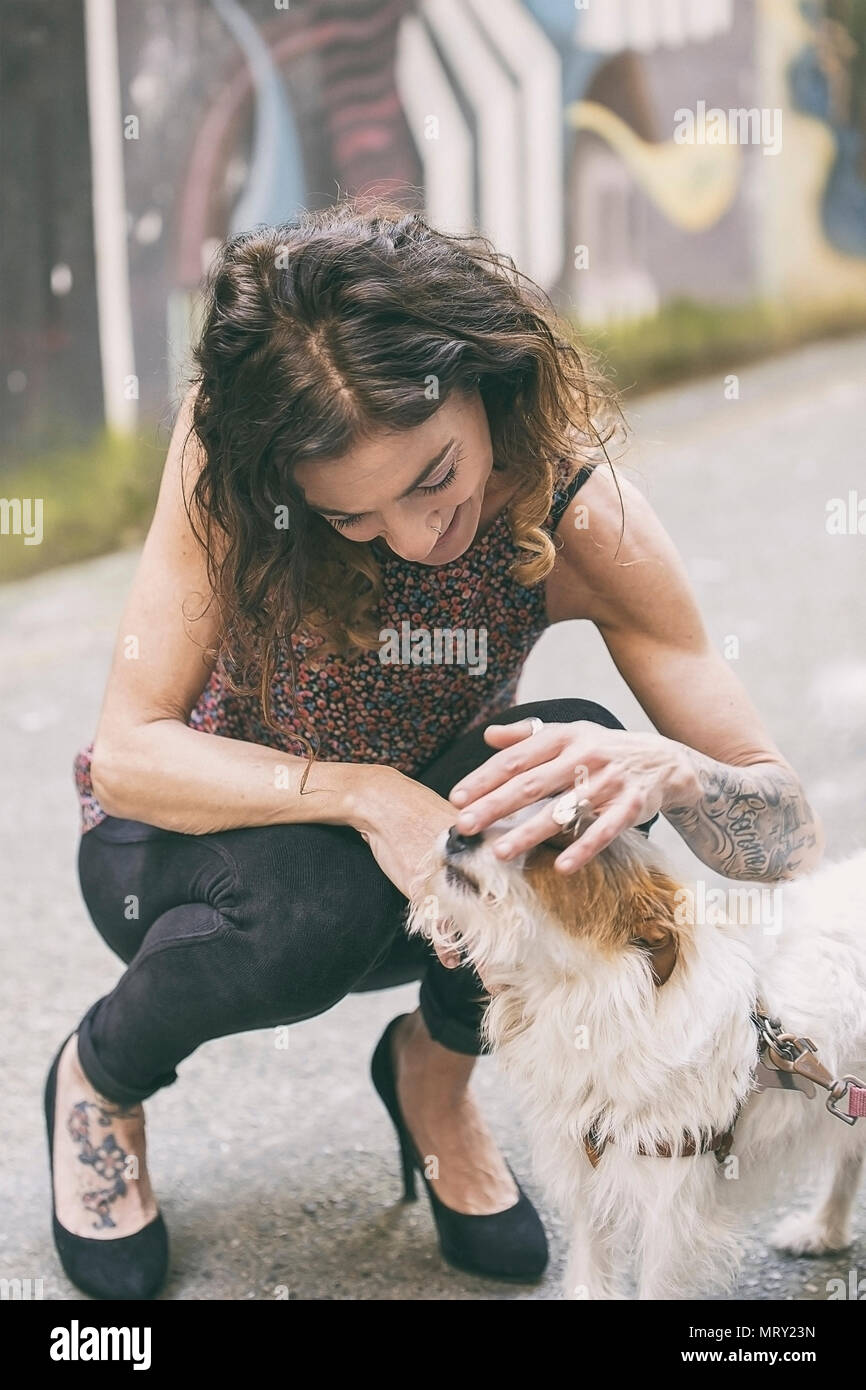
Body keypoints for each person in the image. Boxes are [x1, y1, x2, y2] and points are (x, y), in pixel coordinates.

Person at [47, 201, 824, 1301]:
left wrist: (677, 770)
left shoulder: (578, 512)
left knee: (580, 764)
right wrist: (368, 797)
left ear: (484, 379)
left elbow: (782, 833)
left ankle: (433, 1072)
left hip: (416, 865)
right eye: (351, 520)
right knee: (325, 886)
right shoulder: (231, 461)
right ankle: (100, 1077)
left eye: (430, 479)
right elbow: (127, 755)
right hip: (183, 850)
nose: (413, 534)